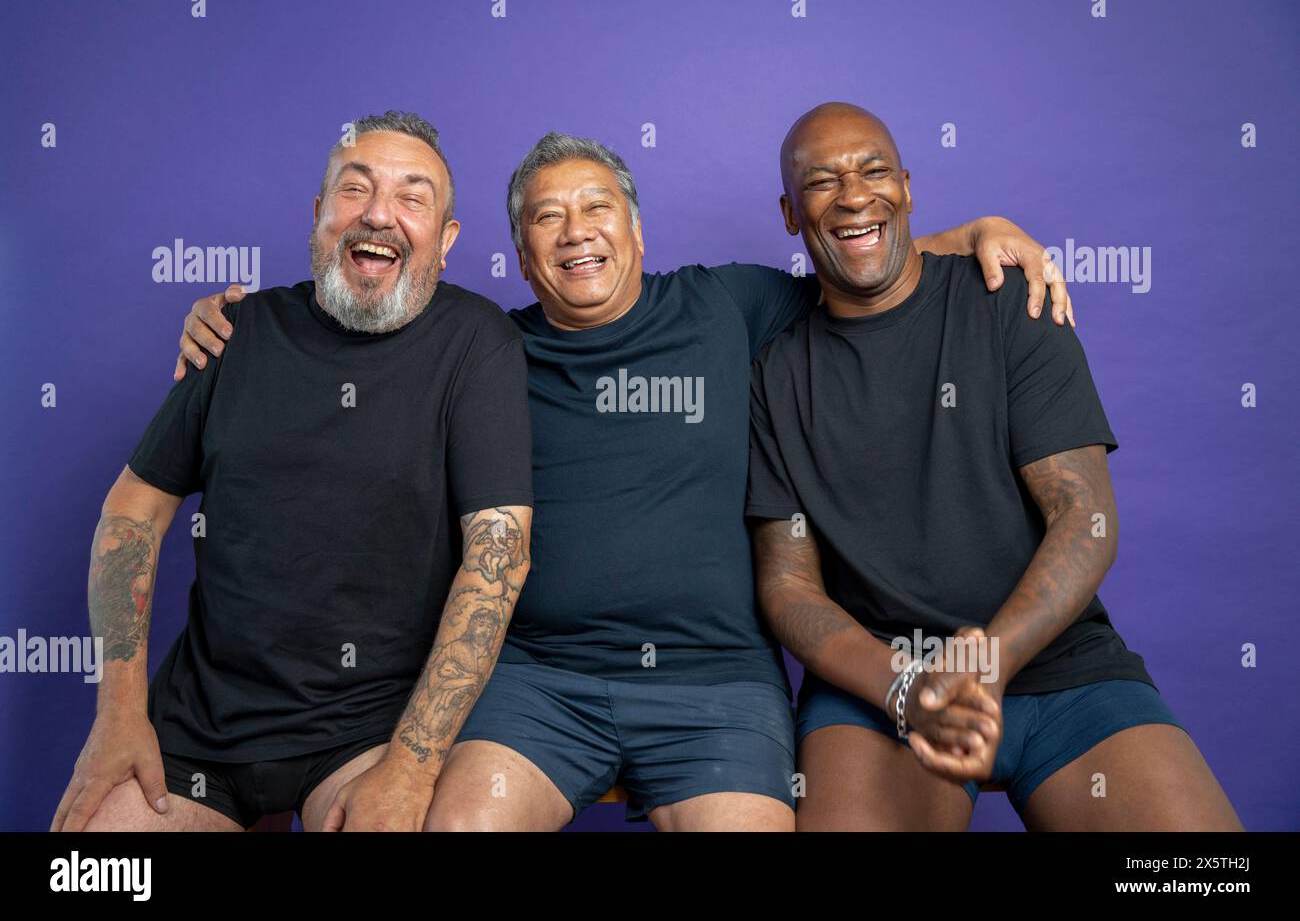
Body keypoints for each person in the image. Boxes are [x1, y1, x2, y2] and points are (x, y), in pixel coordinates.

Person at [175, 128, 1071, 831]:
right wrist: (234, 322)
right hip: (537, 679)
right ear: (522, 257)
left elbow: (867, 267)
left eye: (597, 207)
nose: (577, 232)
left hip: (715, 681)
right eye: (546, 217)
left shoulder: (727, 306)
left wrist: (977, 234)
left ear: (636, 230)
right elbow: (356, 316)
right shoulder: (483, 348)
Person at [747, 102, 1242, 830]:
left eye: (874, 171)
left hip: (1057, 662)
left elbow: (1086, 515)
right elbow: (788, 584)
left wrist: (985, 665)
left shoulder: (1008, 300)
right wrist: (907, 686)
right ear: (791, 213)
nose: (854, 195)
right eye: (823, 182)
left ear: (908, 188)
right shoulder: (776, 372)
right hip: (880, 682)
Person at [52, 112, 534, 833]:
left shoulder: (477, 343)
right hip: (200, 728)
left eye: (413, 196)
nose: (378, 213)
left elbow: (498, 555)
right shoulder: (234, 332)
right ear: (318, 215)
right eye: (355, 189)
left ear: (448, 238)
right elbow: (132, 510)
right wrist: (120, 715)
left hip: (368, 732)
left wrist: (413, 765)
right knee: (89, 877)